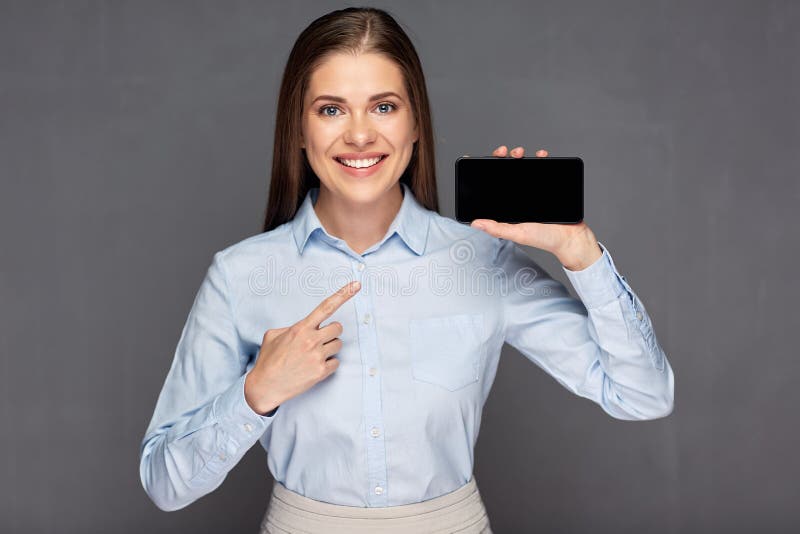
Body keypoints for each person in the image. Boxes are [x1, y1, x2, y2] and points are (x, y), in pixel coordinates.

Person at [139, 6, 674, 533]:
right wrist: (255, 393)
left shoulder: (483, 259)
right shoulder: (239, 276)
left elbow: (643, 395)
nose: (359, 135)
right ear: (298, 131)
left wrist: (581, 255)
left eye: (383, 107)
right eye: (331, 110)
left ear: (416, 123)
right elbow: (164, 483)